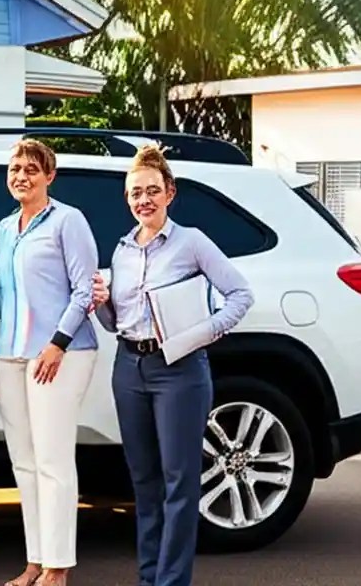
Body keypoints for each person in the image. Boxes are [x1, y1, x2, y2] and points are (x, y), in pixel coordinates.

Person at [93, 143, 254, 586]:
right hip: (129, 368)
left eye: (151, 190)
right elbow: (116, 323)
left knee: (180, 482)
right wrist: (100, 302)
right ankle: (150, 577)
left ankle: (171, 580)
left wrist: (201, 333)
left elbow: (240, 295)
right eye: (135, 193)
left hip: (179, 372)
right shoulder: (122, 250)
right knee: (143, 482)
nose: (143, 200)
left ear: (170, 192)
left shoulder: (191, 242)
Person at [0, 138, 104, 586]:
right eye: (15, 169)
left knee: (53, 461)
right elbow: (6, 297)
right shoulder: (7, 228)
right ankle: (35, 562)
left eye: (31, 169)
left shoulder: (68, 221)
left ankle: (58, 568)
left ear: (49, 176)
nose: (21, 176)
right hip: (11, 355)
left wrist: (57, 344)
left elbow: (84, 291)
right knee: (24, 465)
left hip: (61, 355)